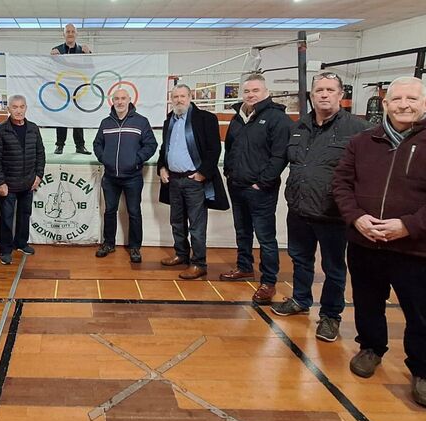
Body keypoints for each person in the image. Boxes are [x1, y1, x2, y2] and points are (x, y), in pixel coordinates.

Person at [332, 76, 426, 410]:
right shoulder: (362, 142)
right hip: (366, 243)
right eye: (397, 99)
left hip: (420, 250)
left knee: (422, 315)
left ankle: (425, 372)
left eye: (411, 98)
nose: (404, 104)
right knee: (366, 303)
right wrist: (357, 218)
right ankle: (371, 348)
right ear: (385, 104)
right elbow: (342, 185)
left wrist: (407, 226)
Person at [269, 72, 370, 342]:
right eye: (319, 90)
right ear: (311, 95)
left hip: (333, 213)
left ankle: (330, 316)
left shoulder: (358, 130)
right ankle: (301, 300)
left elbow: (367, 173)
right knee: (300, 259)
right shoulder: (300, 125)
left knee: (333, 267)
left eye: (329, 90)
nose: (324, 94)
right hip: (299, 209)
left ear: (340, 95)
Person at [220, 74, 291, 304]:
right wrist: (229, 173)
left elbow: (280, 155)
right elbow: (230, 148)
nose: (251, 95)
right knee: (242, 231)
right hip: (237, 185)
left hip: (261, 189)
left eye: (255, 91)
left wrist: (262, 182)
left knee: (265, 236)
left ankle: (269, 281)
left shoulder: (277, 118)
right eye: (247, 91)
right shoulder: (238, 118)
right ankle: (244, 267)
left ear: (266, 92)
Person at [157, 84, 229, 279]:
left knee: (196, 225)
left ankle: (199, 263)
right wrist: (161, 167)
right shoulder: (168, 121)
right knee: (176, 222)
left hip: (194, 181)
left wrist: (202, 174)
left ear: (190, 97)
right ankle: (181, 254)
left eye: (182, 96)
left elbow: (214, 149)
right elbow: (165, 149)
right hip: (174, 180)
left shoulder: (205, 119)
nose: (179, 100)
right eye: (175, 97)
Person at [92, 88, 157, 262]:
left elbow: (151, 145)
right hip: (110, 177)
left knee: (134, 212)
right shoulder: (106, 123)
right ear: (112, 101)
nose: (120, 102)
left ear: (129, 99)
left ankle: (135, 247)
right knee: (109, 211)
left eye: (123, 98)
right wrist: (104, 158)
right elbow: (97, 143)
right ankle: (108, 243)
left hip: (133, 177)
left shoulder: (141, 122)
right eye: (117, 99)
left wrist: (137, 159)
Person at [0, 94, 46, 265]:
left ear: (26, 108)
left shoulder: (34, 128)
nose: (18, 110)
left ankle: (21, 243)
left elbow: (40, 154)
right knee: (6, 218)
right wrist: (0, 182)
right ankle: (5, 250)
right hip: (8, 185)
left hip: (28, 183)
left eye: (22, 107)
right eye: (15, 107)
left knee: (24, 214)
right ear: (8, 109)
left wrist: (38, 176)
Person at [50, 23, 92, 155]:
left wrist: (90, 55)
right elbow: (49, 69)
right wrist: (50, 56)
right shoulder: (56, 50)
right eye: (67, 31)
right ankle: (60, 145)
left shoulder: (83, 50)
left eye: (72, 31)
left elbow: (91, 68)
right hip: (61, 90)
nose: (70, 33)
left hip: (78, 90)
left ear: (76, 34)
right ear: (64, 34)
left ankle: (80, 146)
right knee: (61, 117)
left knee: (77, 119)